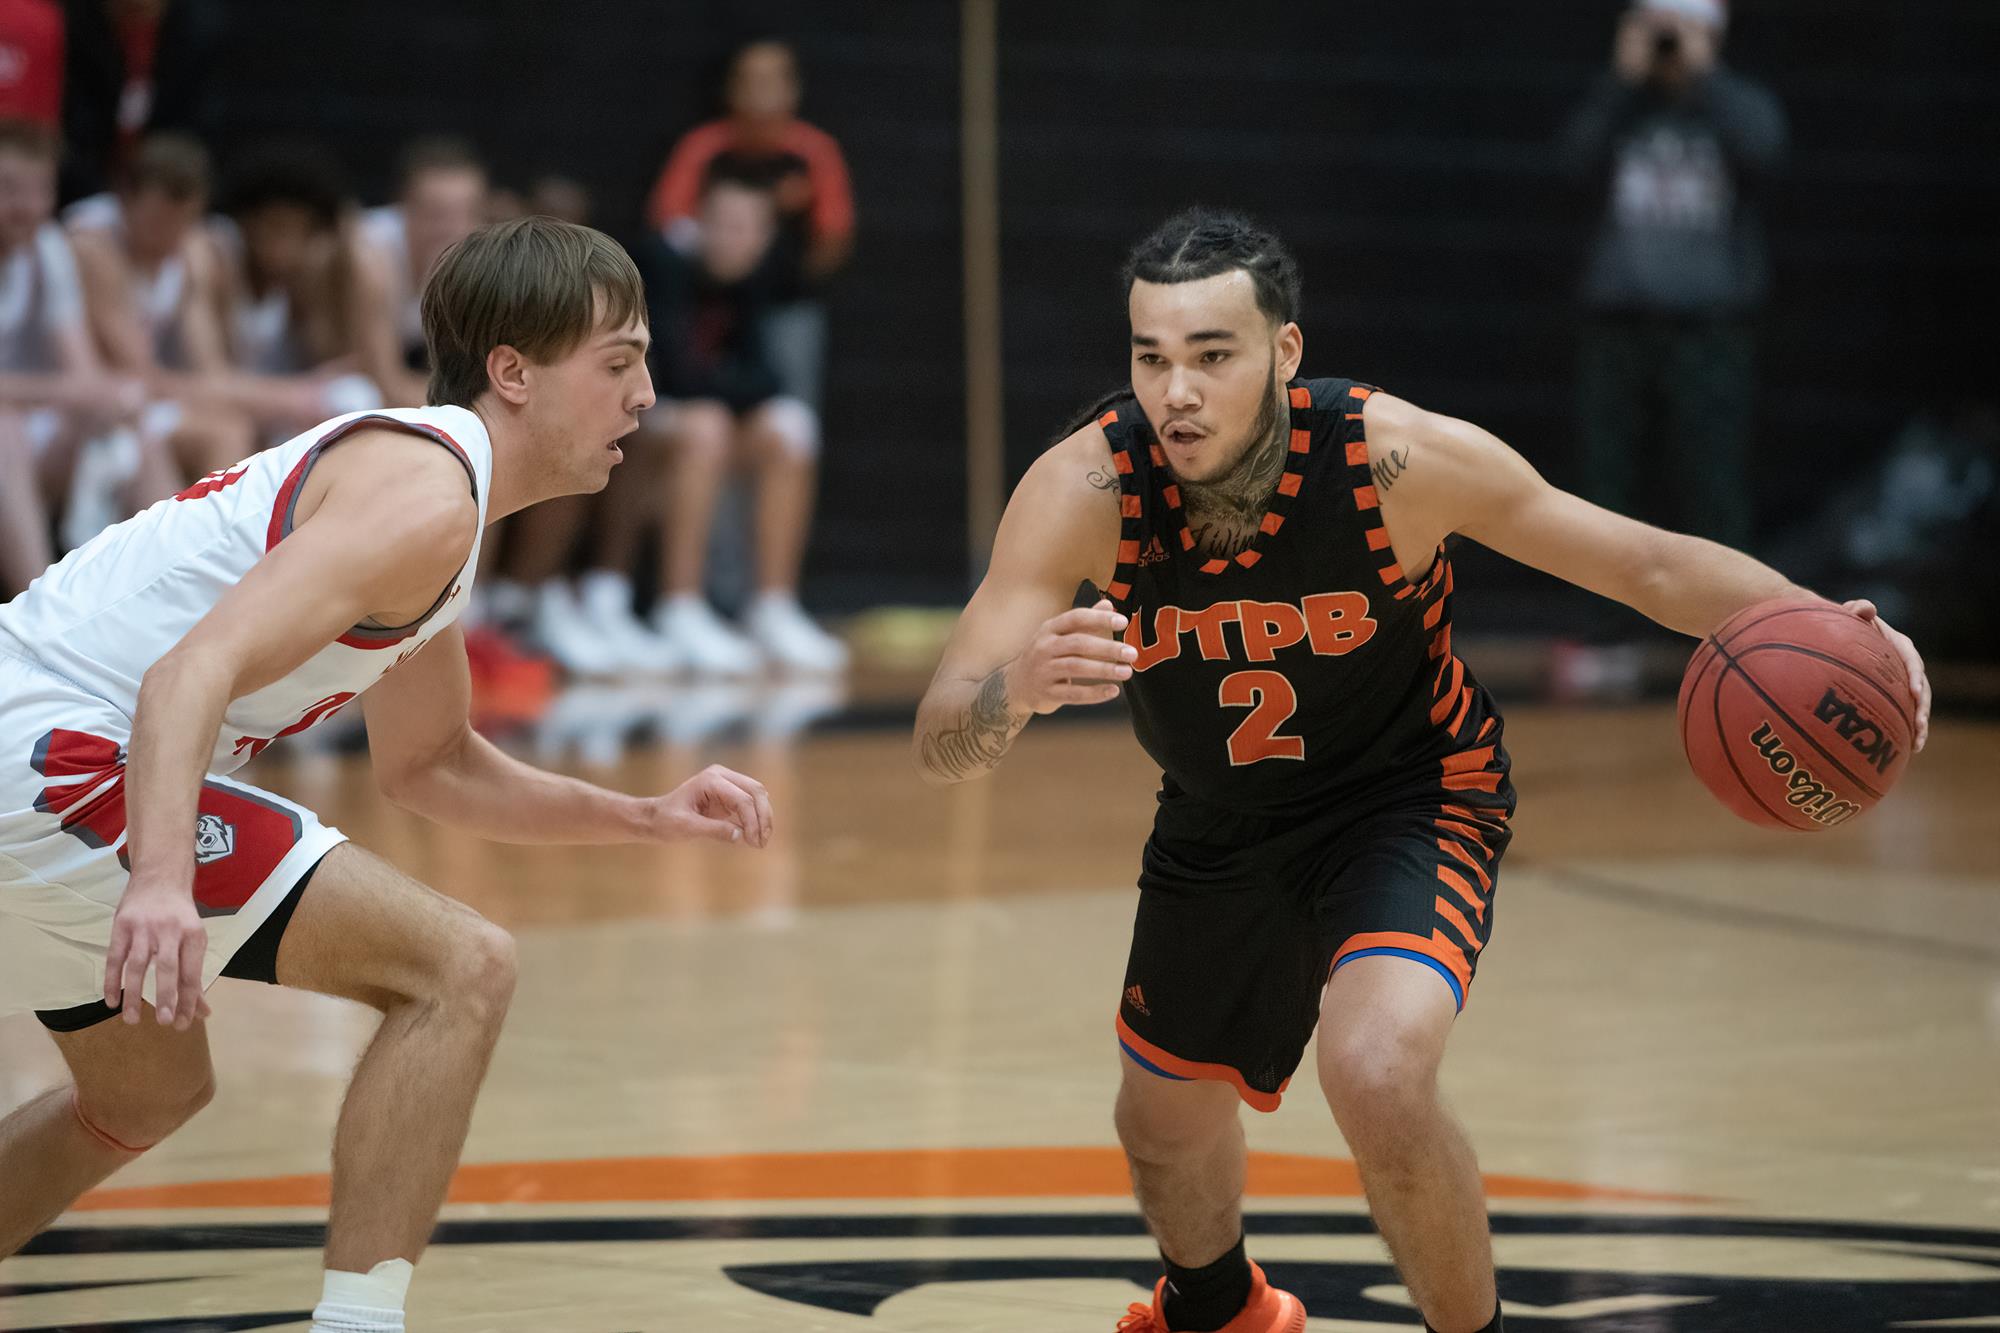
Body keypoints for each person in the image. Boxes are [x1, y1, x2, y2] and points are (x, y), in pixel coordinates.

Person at [912, 210, 1931, 1333]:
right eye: (1151, 358)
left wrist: (1835, 631)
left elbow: (1640, 562)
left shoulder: (1389, 458)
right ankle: (1219, 1310)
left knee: (1379, 1072)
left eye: (1213, 354)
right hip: (1218, 820)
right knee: (1158, 1123)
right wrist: (1011, 695)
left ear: (1282, 354)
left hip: (1406, 795)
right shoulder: (1085, 490)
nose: (1177, 393)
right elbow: (940, 728)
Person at [0, 216, 776, 1333]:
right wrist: (161, 881)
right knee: (457, 969)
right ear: (512, 371)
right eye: (618, 363)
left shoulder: (430, 506)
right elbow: (191, 674)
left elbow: (434, 765)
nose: (646, 396)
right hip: (49, 754)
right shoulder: (426, 491)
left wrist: (646, 817)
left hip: (43, 765)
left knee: (144, 1095)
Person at [1563, 0, 1786, 551]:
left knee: (1714, 477)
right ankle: (1605, 629)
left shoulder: (1734, 105)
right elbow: (1571, 165)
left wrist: (1705, 75)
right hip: (1619, 321)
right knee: (1605, 481)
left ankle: (1733, 624)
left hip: (1710, 326)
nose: (1668, 44)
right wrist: (1621, 81)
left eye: (1682, 29)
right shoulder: (1619, 107)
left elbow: (1766, 149)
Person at [632, 168, 845, 675]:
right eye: (723, 223)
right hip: (633, 425)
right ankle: (677, 604)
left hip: (701, 418)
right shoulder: (663, 265)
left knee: (788, 427)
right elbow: (675, 375)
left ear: (766, 236)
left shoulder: (749, 278)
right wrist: (729, 391)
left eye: (746, 228)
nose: (733, 238)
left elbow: (767, 378)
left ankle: (772, 606)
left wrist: (729, 390)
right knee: (707, 423)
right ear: (698, 221)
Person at [646, 36, 853, 411]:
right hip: (711, 305)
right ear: (731, 88)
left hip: (784, 307)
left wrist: (785, 277)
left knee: (792, 416)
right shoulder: (705, 147)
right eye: (750, 80)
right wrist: (721, 268)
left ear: (794, 89)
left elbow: (834, 235)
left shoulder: (813, 152)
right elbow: (668, 221)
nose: (761, 93)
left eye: (773, 80)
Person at [0, 115, 152, 594]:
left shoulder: (46, 248)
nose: (27, 207)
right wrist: (64, 393)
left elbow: (81, 375)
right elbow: (65, 387)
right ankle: (38, 607)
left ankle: (162, 599)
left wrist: (107, 403)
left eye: (39, 190)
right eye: (8, 189)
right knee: (4, 432)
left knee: (134, 427)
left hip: (24, 432)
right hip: (8, 435)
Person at [65, 131, 261, 482]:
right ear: (124, 200)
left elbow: (209, 371)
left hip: (138, 401)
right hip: (71, 410)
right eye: (158, 222)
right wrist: (298, 398)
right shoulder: (91, 244)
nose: (170, 236)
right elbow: (141, 373)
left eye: (182, 221)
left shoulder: (190, 251)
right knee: (220, 432)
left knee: (233, 424)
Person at [358, 134, 489, 407]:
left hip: (401, 378)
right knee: (356, 397)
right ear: (404, 207)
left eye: (467, 214)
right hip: (308, 375)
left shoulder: (477, 254)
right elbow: (385, 382)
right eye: (437, 215)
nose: (453, 230)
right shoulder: (370, 255)